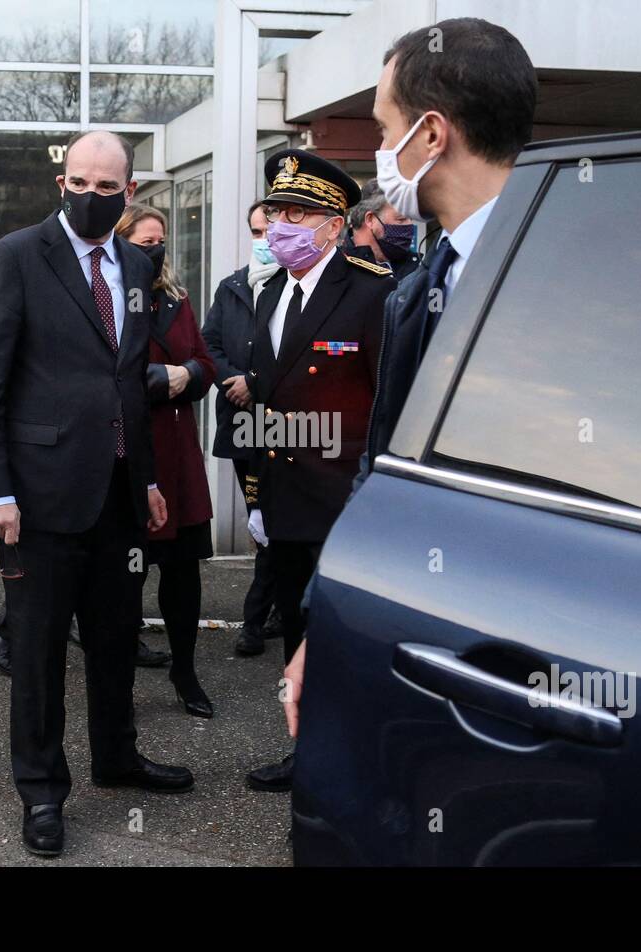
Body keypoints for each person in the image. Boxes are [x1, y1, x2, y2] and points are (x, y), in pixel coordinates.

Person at [280, 17, 538, 739]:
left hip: (515, 667)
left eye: (381, 127)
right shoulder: (417, 287)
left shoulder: (566, 279)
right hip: (416, 639)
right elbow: (384, 474)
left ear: (431, 135)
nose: (377, 151)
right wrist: (328, 619)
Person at [0, 130, 193, 859]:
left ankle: (118, 758)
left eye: (108, 188)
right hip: (38, 498)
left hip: (119, 498)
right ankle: (41, 791)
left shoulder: (134, 263)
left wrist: (149, 476)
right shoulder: (17, 257)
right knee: (36, 655)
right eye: (82, 184)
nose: (93, 197)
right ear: (63, 182)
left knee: (117, 640)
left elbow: (127, 383)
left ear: (128, 192)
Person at [243, 149, 393, 792]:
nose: (282, 224)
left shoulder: (372, 292)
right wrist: (254, 488)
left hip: (343, 499)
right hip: (284, 494)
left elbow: (389, 403)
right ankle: (305, 752)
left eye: (298, 213)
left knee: (345, 632)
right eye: (278, 211)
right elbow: (266, 393)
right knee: (297, 627)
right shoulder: (270, 290)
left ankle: (351, 762)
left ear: (334, 224)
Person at [116, 204, 218, 718]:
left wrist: (188, 377)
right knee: (125, 571)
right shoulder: (109, 297)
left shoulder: (177, 299)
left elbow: (204, 359)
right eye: (143, 243)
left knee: (183, 571)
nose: (155, 251)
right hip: (132, 452)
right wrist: (158, 381)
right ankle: (119, 676)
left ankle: (185, 670)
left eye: (160, 242)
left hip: (179, 458)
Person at [201, 201, 283, 657]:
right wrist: (233, 380)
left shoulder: (296, 286)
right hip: (240, 420)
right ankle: (271, 613)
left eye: (268, 230)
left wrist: (256, 383)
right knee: (260, 522)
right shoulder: (233, 286)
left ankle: (257, 620)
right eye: (255, 230)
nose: (262, 240)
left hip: (282, 423)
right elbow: (209, 341)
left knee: (276, 520)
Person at [344, 178, 422, 281]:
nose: (410, 225)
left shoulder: (417, 269)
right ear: (370, 219)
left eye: (410, 218)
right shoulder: (337, 268)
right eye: (401, 219)